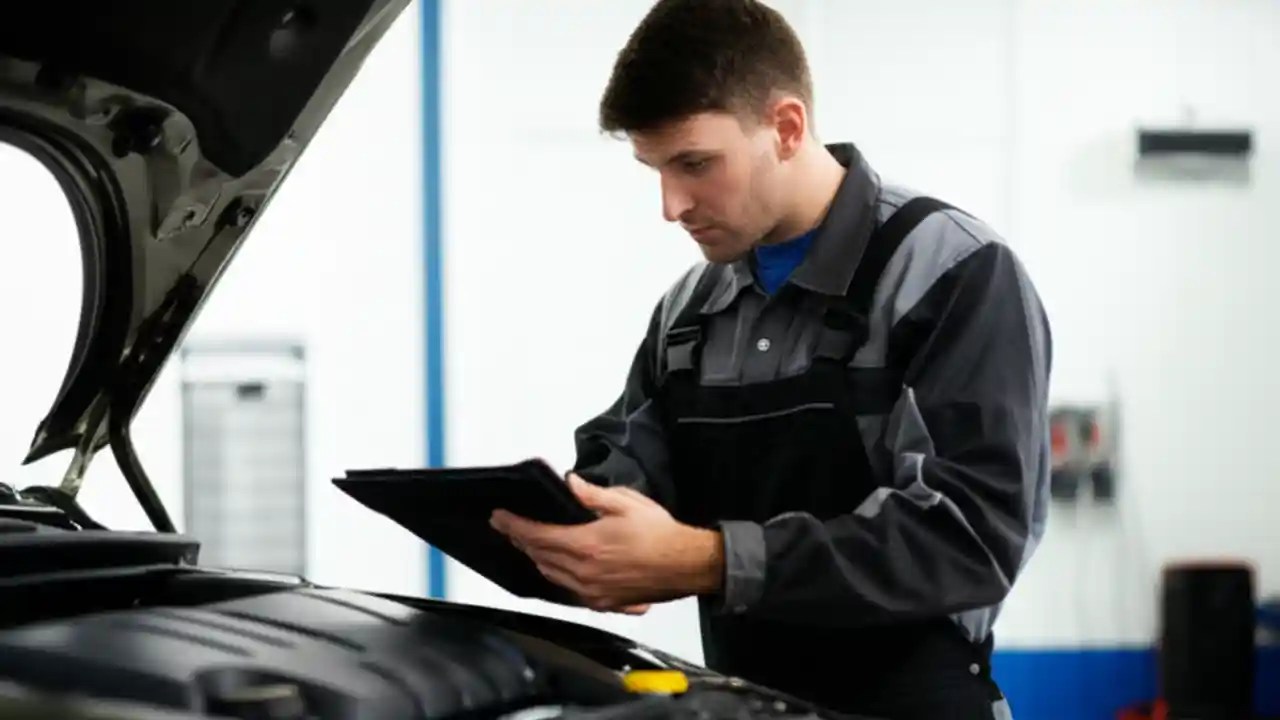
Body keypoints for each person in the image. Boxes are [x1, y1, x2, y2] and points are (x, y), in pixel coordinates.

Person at [489, 1, 1052, 717]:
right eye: (655, 169)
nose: (672, 204)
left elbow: (968, 536)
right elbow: (628, 460)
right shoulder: (691, 310)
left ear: (786, 128)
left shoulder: (949, 274)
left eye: (695, 164)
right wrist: (576, 527)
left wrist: (707, 560)